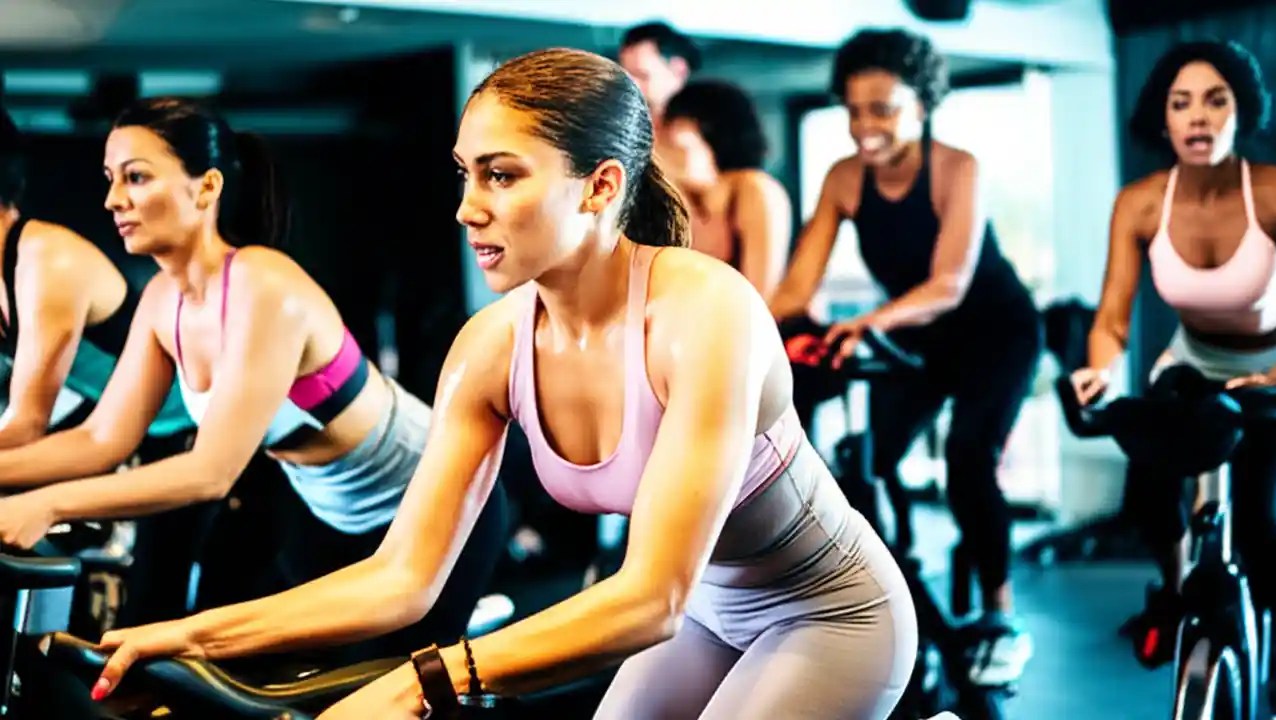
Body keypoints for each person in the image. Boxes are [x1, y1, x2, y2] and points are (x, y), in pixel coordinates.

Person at [92, 48, 918, 720]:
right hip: (705, 613)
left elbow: (649, 596)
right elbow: (402, 577)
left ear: (600, 186)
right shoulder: (489, 347)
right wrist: (187, 638)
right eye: (465, 174)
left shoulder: (706, 314)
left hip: (830, 612)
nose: (466, 207)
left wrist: (424, 681)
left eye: (501, 175)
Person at [0, 97, 508, 669]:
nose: (113, 199)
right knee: (250, 680)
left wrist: (47, 504)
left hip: (440, 503)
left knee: (394, 690)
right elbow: (101, 440)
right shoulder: (163, 301)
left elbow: (209, 472)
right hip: (328, 512)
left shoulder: (263, 286)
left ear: (206, 187)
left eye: (136, 177)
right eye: (110, 179)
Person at [768, 28, 1042, 685]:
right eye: (854, 110)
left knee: (968, 457)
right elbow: (796, 290)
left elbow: (949, 284)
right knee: (868, 459)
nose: (865, 126)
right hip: (921, 338)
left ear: (922, 105)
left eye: (883, 109)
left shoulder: (956, 168)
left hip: (996, 331)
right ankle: (890, 586)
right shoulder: (844, 178)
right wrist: (743, 328)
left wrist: (869, 321)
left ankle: (1001, 617)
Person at [1070, 39, 1276, 670]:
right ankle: (1174, 588)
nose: (1198, 117)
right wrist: (1098, 370)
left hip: (1270, 371)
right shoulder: (1139, 203)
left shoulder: (1271, 191)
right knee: (1151, 486)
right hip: (1191, 365)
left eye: (1216, 101)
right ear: (1163, 120)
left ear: (1241, 111)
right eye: (1181, 103)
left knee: (1264, 527)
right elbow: (1112, 318)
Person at [0, 106, 199, 630]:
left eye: (134, 177)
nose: (116, 197)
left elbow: (25, 423)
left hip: (184, 439)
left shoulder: (47, 258)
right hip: (117, 435)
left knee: (152, 621)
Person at [662, 79, 792, 296]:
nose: (667, 136)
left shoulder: (755, 189)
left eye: (678, 125)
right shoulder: (680, 197)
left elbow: (760, 297)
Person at [618, 21, 701, 130]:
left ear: (679, 69)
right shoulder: (620, 123)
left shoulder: (707, 128)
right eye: (625, 76)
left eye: (642, 76)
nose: (631, 85)